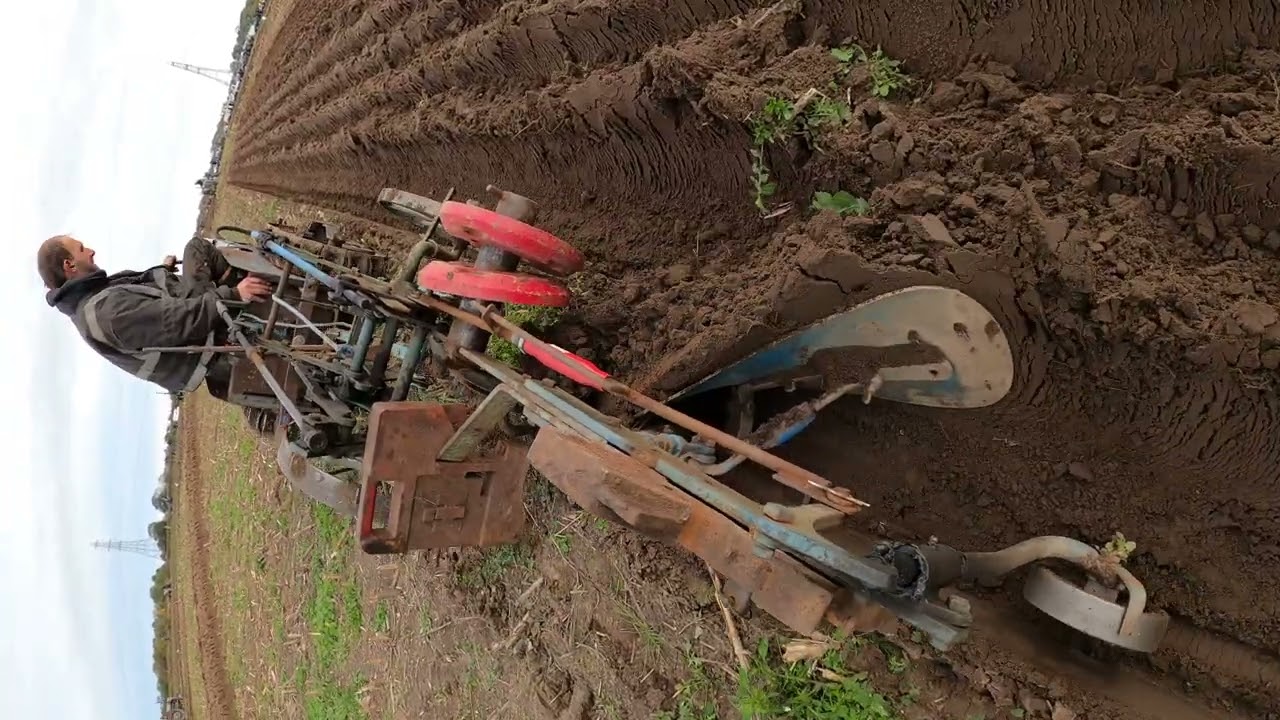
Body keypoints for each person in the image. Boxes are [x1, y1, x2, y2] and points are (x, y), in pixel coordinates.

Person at [39, 233, 272, 397]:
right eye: (81, 249)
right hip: (200, 339)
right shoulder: (104, 313)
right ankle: (266, 289)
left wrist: (164, 269)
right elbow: (178, 322)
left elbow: (146, 301)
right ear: (70, 265)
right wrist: (234, 294)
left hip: (189, 316)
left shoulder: (91, 299)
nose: (91, 251)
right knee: (197, 248)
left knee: (197, 254)